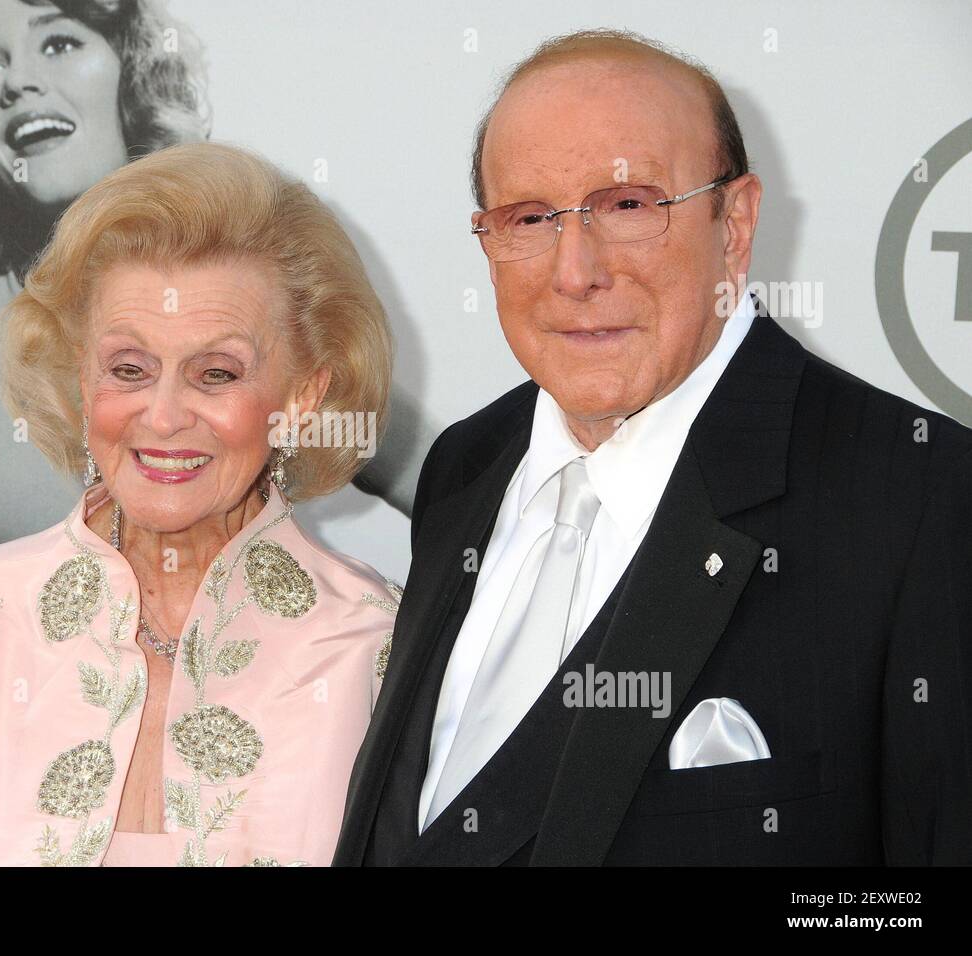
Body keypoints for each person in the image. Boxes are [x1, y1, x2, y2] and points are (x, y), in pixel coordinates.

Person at [335, 28, 972, 866]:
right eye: (530, 218)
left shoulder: (927, 499)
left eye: (627, 206)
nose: (575, 272)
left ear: (735, 223)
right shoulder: (466, 464)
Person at [0, 141, 401, 866]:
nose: (162, 417)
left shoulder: (383, 653)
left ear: (302, 396)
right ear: (79, 378)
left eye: (216, 373)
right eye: (129, 369)